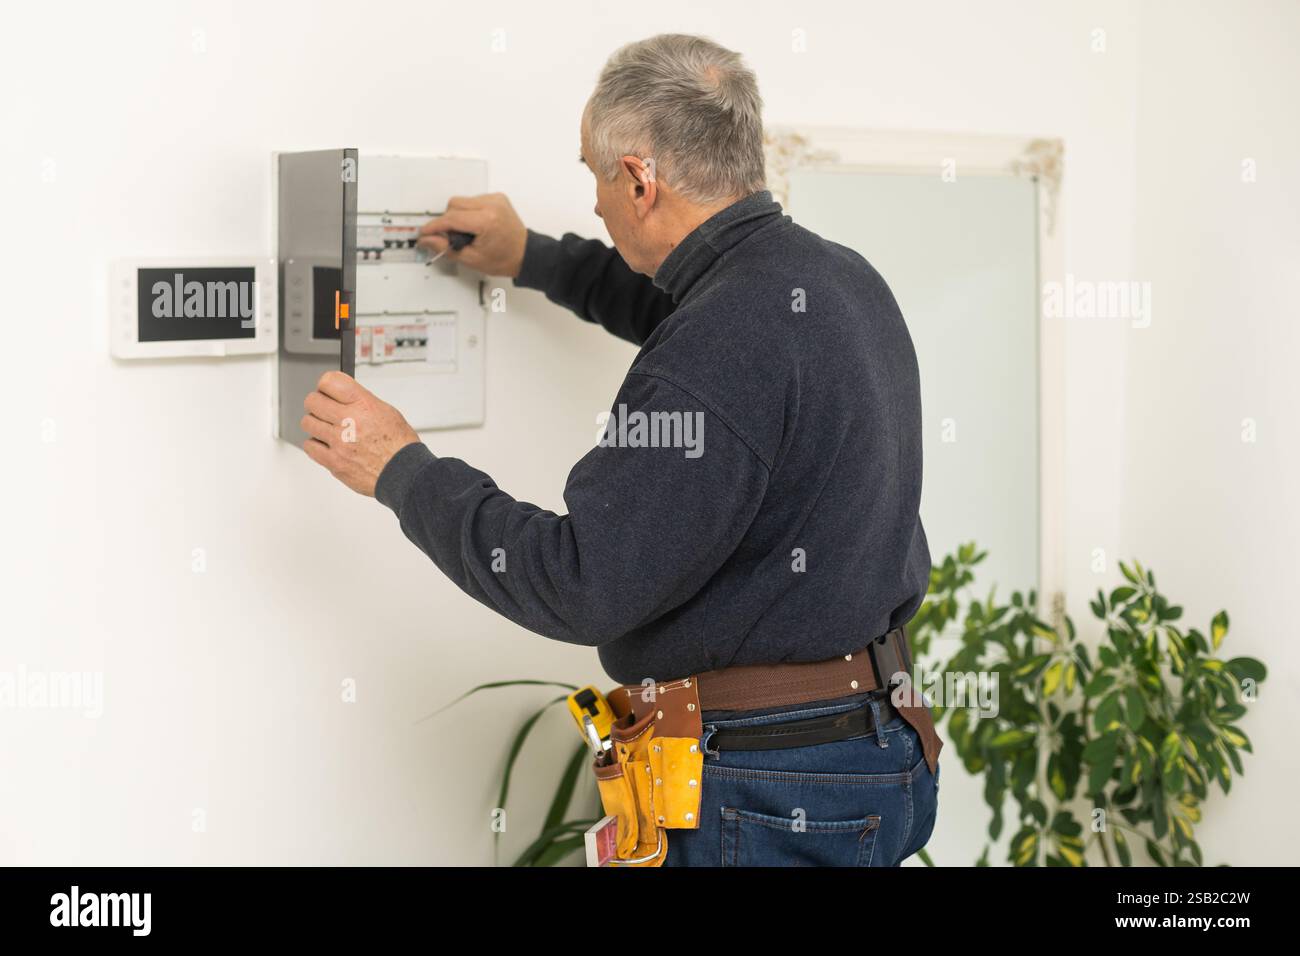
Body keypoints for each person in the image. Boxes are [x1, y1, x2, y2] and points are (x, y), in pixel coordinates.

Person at [301, 33, 940, 867]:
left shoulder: (721, 340)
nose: (596, 202)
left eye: (593, 176)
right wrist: (530, 255)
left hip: (764, 790)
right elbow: (689, 318)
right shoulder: (834, 280)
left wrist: (401, 470)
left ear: (639, 178)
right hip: (872, 752)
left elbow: (581, 584)